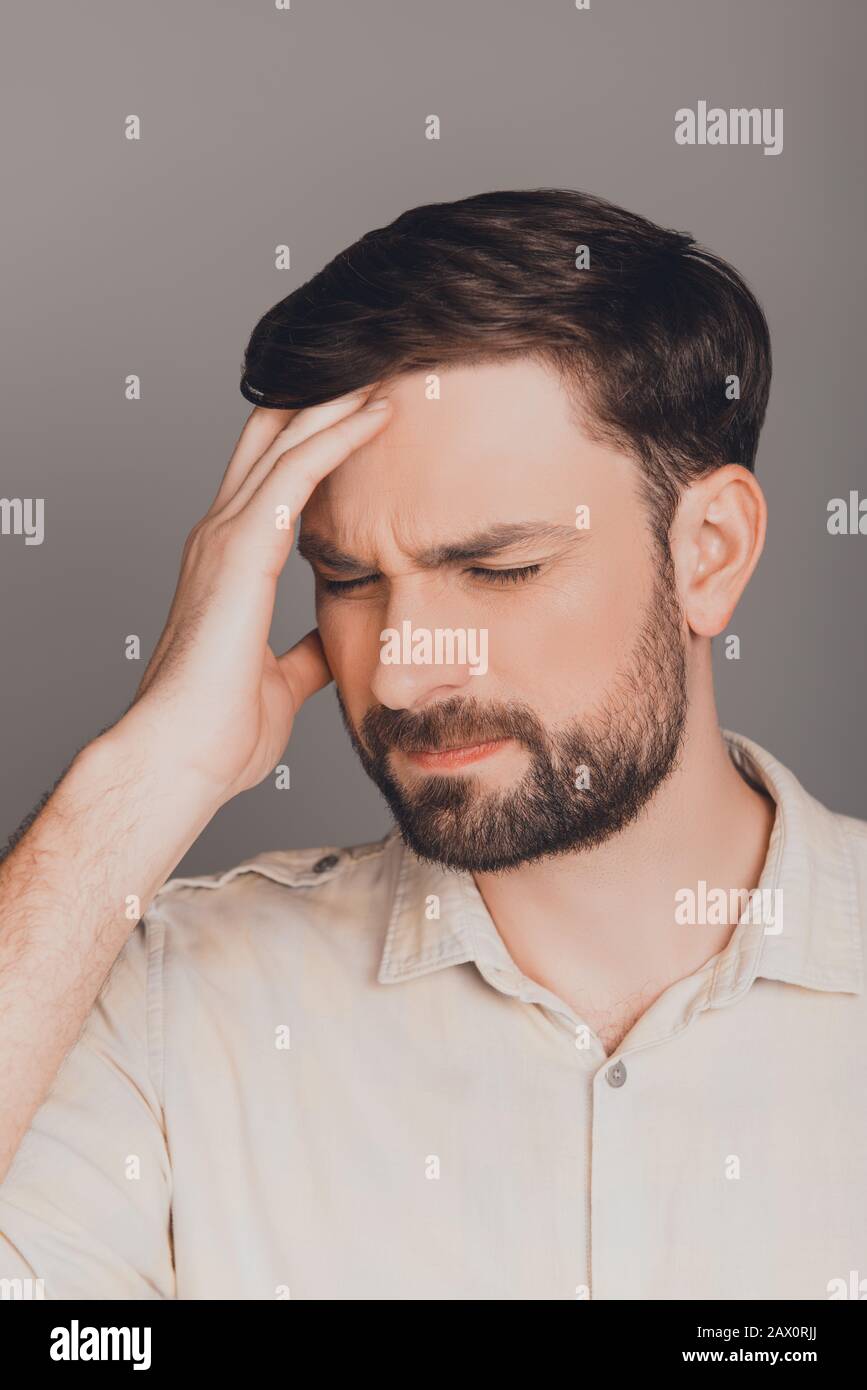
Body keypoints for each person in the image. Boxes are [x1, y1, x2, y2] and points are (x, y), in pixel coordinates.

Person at [1, 189, 864, 1301]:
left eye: (499, 568)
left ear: (709, 551)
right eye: (350, 580)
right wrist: (143, 776)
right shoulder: (163, 1012)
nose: (403, 667)